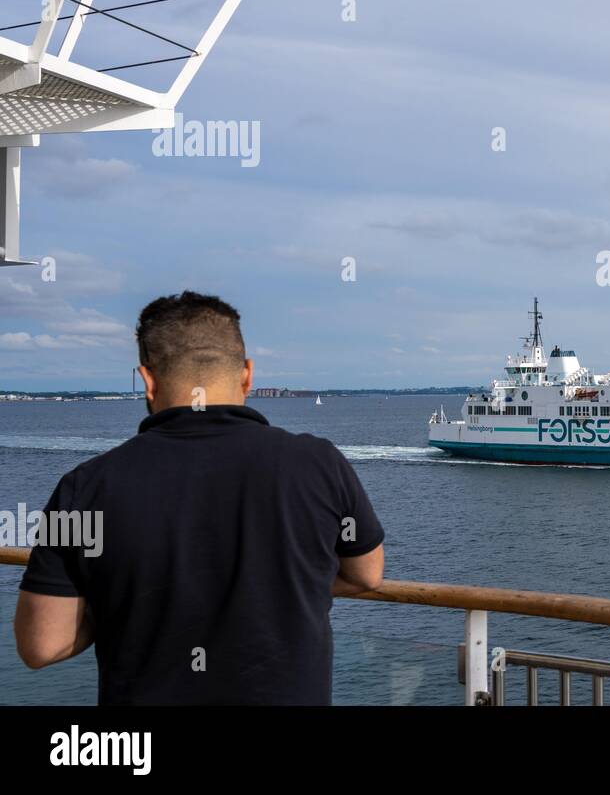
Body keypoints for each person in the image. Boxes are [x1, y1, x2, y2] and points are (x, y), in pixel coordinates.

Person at [13, 291, 384, 704]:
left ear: (147, 379)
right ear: (247, 375)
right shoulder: (320, 463)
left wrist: (129, 603)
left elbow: (42, 645)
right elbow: (367, 574)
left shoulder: (81, 488)